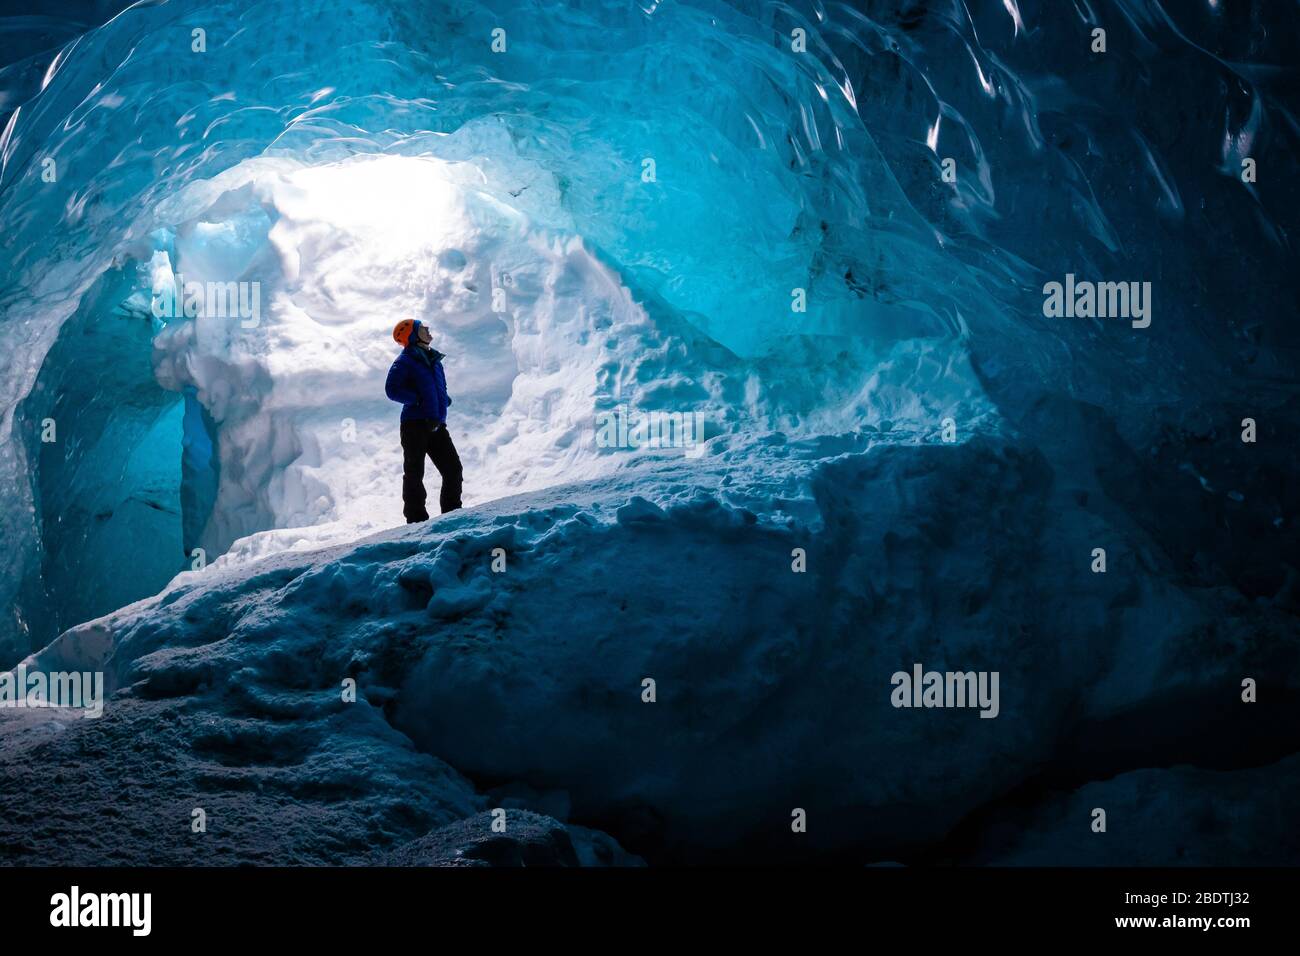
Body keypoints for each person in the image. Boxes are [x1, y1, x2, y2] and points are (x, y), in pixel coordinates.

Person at [385, 319, 462, 522]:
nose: (427, 330)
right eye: (422, 328)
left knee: (453, 469)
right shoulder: (405, 361)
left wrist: (442, 400)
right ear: (411, 335)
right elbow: (391, 390)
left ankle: (452, 515)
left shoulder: (434, 360)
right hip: (414, 425)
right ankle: (416, 520)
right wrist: (418, 399)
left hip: (436, 424)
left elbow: (436, 389)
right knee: (414, 472)